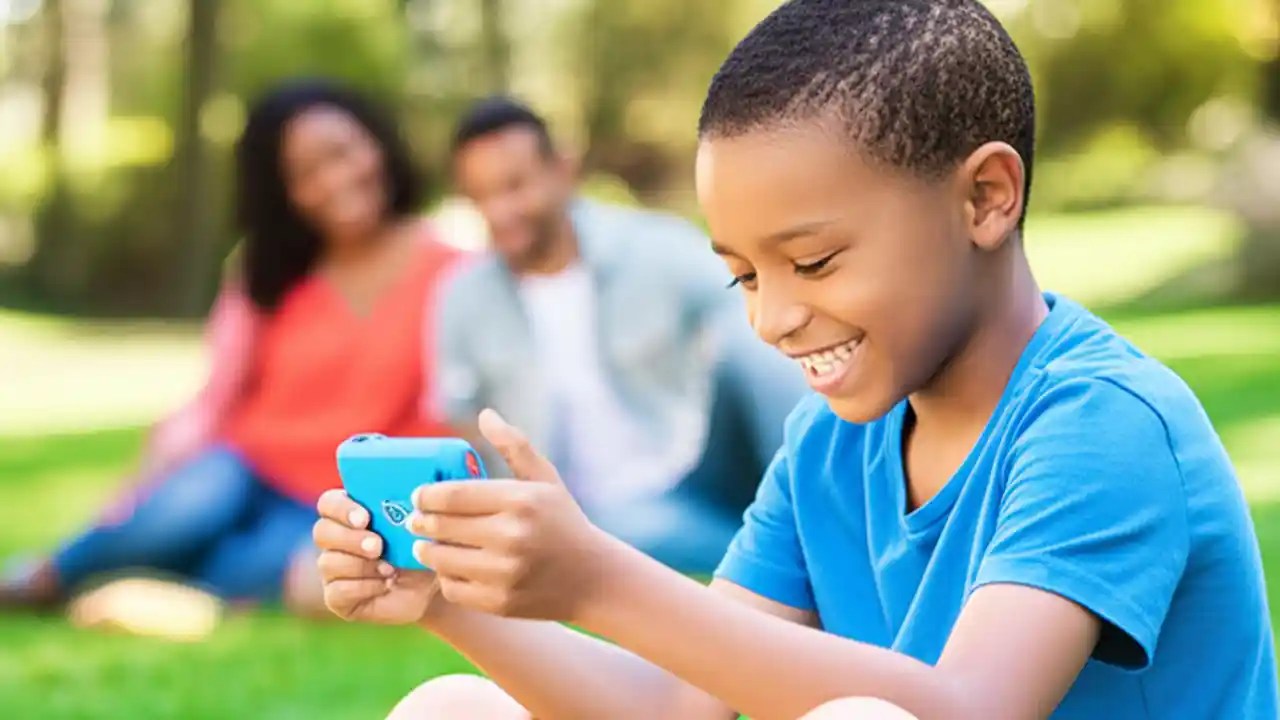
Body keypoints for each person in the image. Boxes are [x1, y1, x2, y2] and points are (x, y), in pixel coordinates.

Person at [312, 1, 1279, 719]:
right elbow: (675, 709)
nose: (773, 318)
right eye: (741, 276)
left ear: (986, 197)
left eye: (812, 261)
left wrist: (597, 577)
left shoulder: (1104, 423)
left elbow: (971, 711)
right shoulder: (830, 440)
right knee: (455, 708)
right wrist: (450, 601)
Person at [1, 79, 464, 613]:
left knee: (264, 566)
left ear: (377, 145)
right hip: (244, 466)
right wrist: (138, 491)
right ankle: (44, 578)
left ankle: (143, 589)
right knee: (181, 514)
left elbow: (463, 412)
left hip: (345, 500)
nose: (336, 179)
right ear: (282, 192)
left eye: (342, 153)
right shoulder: (266, 272)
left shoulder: (453, 272)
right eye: (306, 173)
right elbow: (214, 398)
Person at [433, 97, 804, 573]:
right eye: (481, 196)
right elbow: (459, 421)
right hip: (595, 511)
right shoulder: (461, 298)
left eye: (514, 186)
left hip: (697, 465)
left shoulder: (650, 246)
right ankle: (788, 557)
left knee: (752, 346)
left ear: (562, 169)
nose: (500, 211)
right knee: (628, 529)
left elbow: (753, 303)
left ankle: (826, 508)